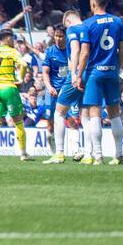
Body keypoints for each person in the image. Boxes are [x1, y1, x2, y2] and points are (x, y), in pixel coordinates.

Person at [75, 0, 123, 166]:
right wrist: (118, 69)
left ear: (94, 4)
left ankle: (98, 155)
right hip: (112, 70)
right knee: (114, 113)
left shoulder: (87, 24)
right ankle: (119, 154)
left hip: (94, 73)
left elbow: (84, 53)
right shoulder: (118, 22)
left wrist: (78, 74)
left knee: (94, 112)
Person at [42, 12, 86, 163]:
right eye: (56, 36)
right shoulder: (50, 51)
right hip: (53, 92)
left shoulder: (72, 49)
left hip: (68, 89)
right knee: (50, 123)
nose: (58, 38)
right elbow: (45, 73)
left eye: (61, 36)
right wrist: (49, 87)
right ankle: (54, 152)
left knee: (73, 120)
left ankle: (76, 151)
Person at [0, 29, 32, 162]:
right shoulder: (12, 51)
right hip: (9, 88)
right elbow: (24, 64)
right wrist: (21, 78)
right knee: (18, 121)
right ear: (7, 38)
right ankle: (22, 153)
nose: (13, 40)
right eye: (12, 38)